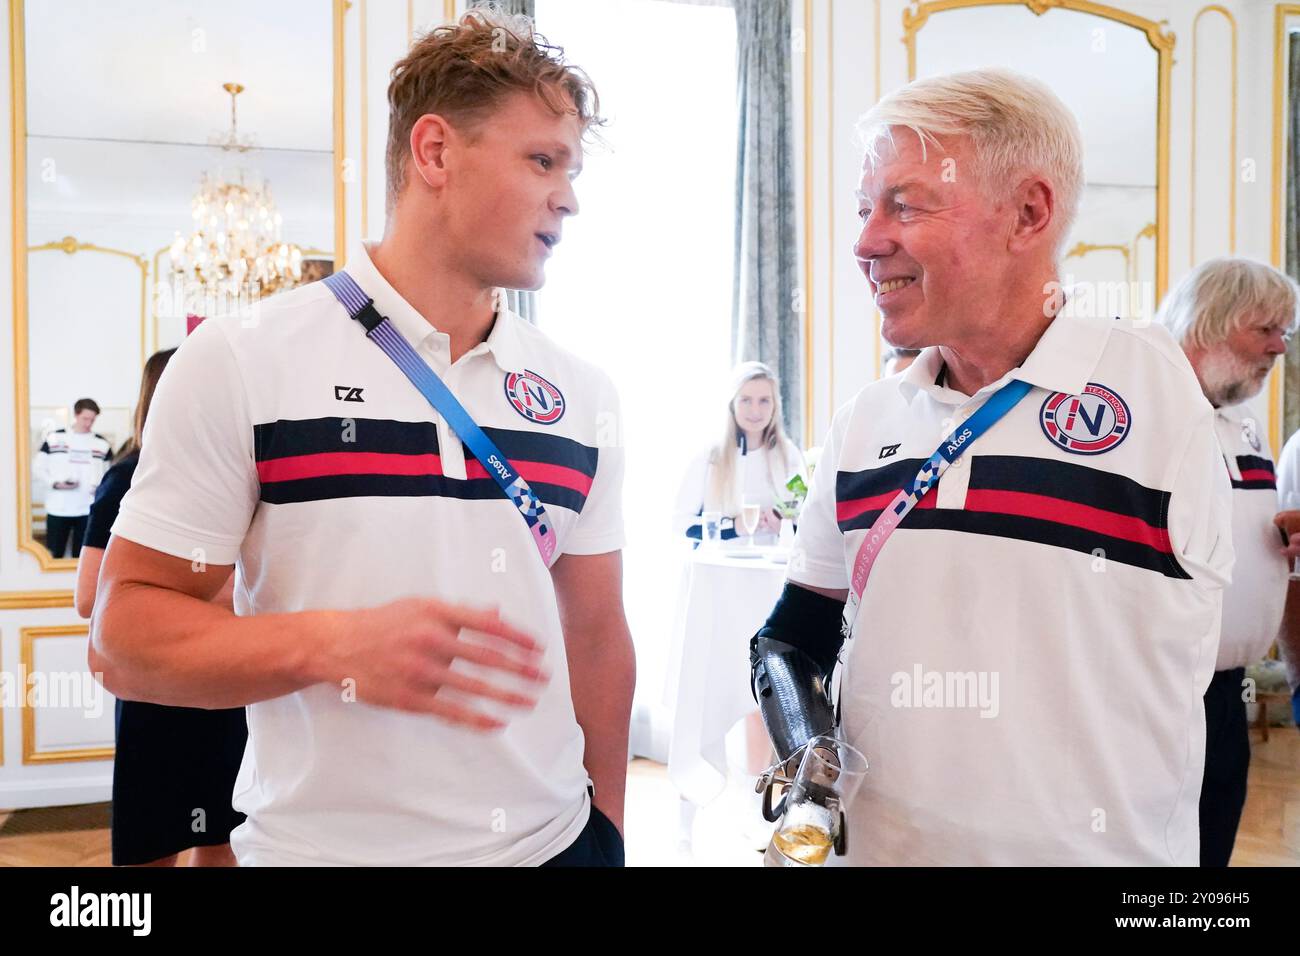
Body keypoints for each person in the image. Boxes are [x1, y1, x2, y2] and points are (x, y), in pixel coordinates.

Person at [90, 10, 633, 867]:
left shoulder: (582, 395)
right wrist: (331, 644)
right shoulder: (237, 359)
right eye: (543, 161)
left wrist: (609, 829)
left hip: (557, 847)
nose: (569, 196)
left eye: (571, 168)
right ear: (435, 153)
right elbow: (123, 638)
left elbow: (597, 631)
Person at [749, 68, 1233, 865]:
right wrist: (810, 776)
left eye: (904, 204)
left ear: (1029, 213)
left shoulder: (1157, 392)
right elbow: (791, 638)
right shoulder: (867, 420)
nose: (866, 240)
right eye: (864, 208)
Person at [76, 348, 248, 867]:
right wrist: (228, 596)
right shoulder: (129, 477)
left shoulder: (230, 476)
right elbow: (91, 597)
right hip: (158, 691)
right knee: (151, 843)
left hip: (227, 687)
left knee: (222, 834)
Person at [1156, 257, 1299, 866]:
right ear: (1209, 321)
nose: (1279, 349)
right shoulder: (1145, 414)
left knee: (1213, 846)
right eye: (1265, 328)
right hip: (1159, 692)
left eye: (1283, 333)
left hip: (1226, 687)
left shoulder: (1244, 425)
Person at [674, 362, 805, 546]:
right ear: (732, 404)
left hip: (773, 571)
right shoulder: (709, 456)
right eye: (746, 400)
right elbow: (682, 523)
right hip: (720, 570)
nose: (755, 411)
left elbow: (808, 525)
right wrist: (734, 527)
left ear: (775, 405)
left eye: (764, 400)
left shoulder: (789, 455)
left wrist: (784, 527)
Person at [34, 398, 113, 557]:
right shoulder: (54, 438)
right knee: (54, 554)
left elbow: (109, 474)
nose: (88, 423)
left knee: (83, 556)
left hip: (88, 509)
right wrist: (55, 483)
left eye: (92, 420)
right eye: (85, 418)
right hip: (58, 508)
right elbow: (37, 467)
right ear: (76, 415)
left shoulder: (102, 444)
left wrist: (100, 489)